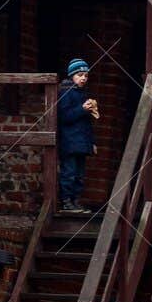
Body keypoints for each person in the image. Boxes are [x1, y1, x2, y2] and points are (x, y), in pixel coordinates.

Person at [56, 57, 99, 212]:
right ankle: (66, 202)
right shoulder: (65, 93)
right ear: (71, 76)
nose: (83, 78)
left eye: (86, 76)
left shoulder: (82, 94)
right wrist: (82, 109)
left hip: (82, 142)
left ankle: (75, 201)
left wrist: (91, 142)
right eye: (79, 75)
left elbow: (87, 124)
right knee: (69, 173)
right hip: (70, 142)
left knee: (79, 175)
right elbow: (65, 117)